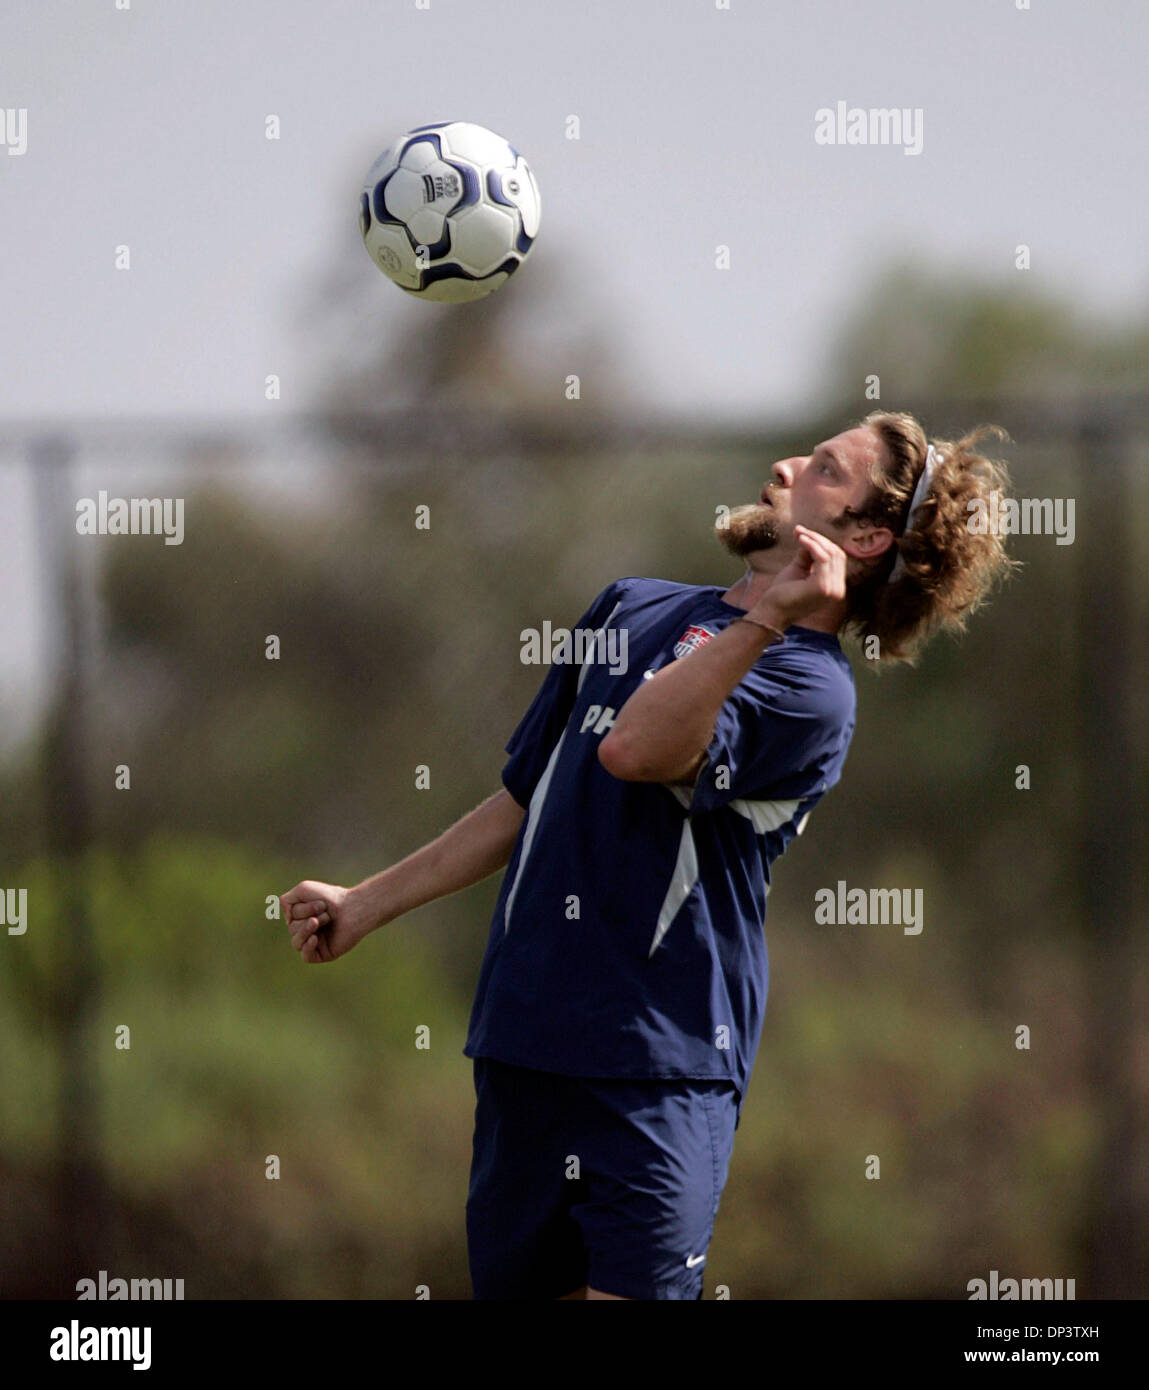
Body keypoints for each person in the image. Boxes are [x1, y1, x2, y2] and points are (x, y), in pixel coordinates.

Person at [280, 409, 1014, 1300]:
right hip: (523, 1043)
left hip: (656, 1071)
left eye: (822, 468)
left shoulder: (809, 689)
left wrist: (765, 622)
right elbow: (526, 798)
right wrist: (366, 903)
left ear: (861, 536)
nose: (782, 466)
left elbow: (636, 749)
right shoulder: (630, 605)